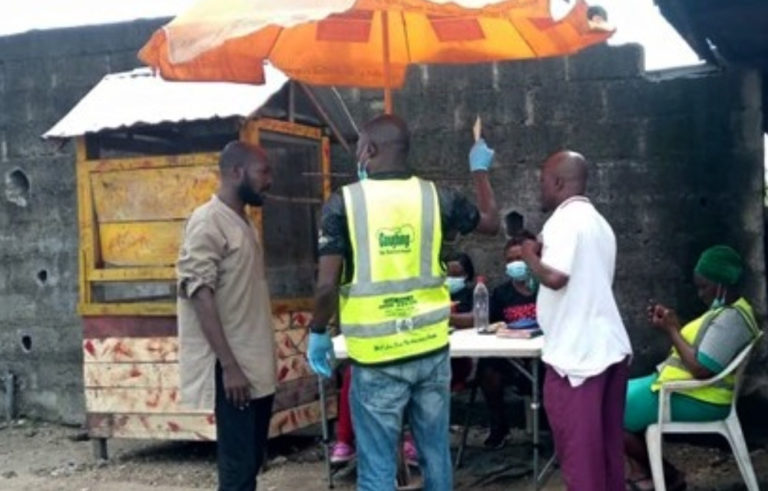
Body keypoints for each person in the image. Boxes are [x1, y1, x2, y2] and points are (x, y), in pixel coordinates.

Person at [307, 114, 499, 490]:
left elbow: (326, 285)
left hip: (377, 358)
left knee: (377, 469)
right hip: (431, 350)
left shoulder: (341, 205)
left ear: (371, 149)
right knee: (435, 455)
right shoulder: (437, 197)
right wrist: (478, 170)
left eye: (360, 149)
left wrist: (317, 331)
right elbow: (491, 222)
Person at [519, 150, 633, 491]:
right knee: (608, 454)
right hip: (609, 348)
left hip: (577, 359)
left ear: (557, 182)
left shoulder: (563, 221)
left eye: (542, 181)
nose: (540, 189)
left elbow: (556, 278)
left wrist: (529, 257)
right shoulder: (601, 224)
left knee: (581, 462)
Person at [176, 142, 276, 491]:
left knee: (249, 466)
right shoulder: (208, 221)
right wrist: (229, 366)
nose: (269, 180)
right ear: (237, 172)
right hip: (235, 372)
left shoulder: (242, 221)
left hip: (255, 366)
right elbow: (199, 293)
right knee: (236, 474)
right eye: (263, 172)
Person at [623, 245, 760, 491]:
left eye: (704, 286)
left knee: (607, 411)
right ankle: (645, 473)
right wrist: (672, 323)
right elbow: (703, 349)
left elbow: (700, 369)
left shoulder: (731, 319)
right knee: (612, 395)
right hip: (682, 390)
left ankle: (667, 475)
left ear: (722, 284)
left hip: (699, 397)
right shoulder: (727, 313)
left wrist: (672, 330)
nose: (700, 294)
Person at [477, 230, 539, 449]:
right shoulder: (501, 293)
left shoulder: (543, 289)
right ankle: (499, 427)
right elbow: (488, 323)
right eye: (510, 260)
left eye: (520, 259)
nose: (515, 264)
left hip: (542, 356)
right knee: (487, 370)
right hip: (510, 357)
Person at [446, 252, 477, 391]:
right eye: (448, 275)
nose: (451, 279)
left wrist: (442, 316)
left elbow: (475, 319)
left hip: (466, 352)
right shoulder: (434, 295)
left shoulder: (474, 294)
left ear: (466, 275)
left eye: (457, 275)